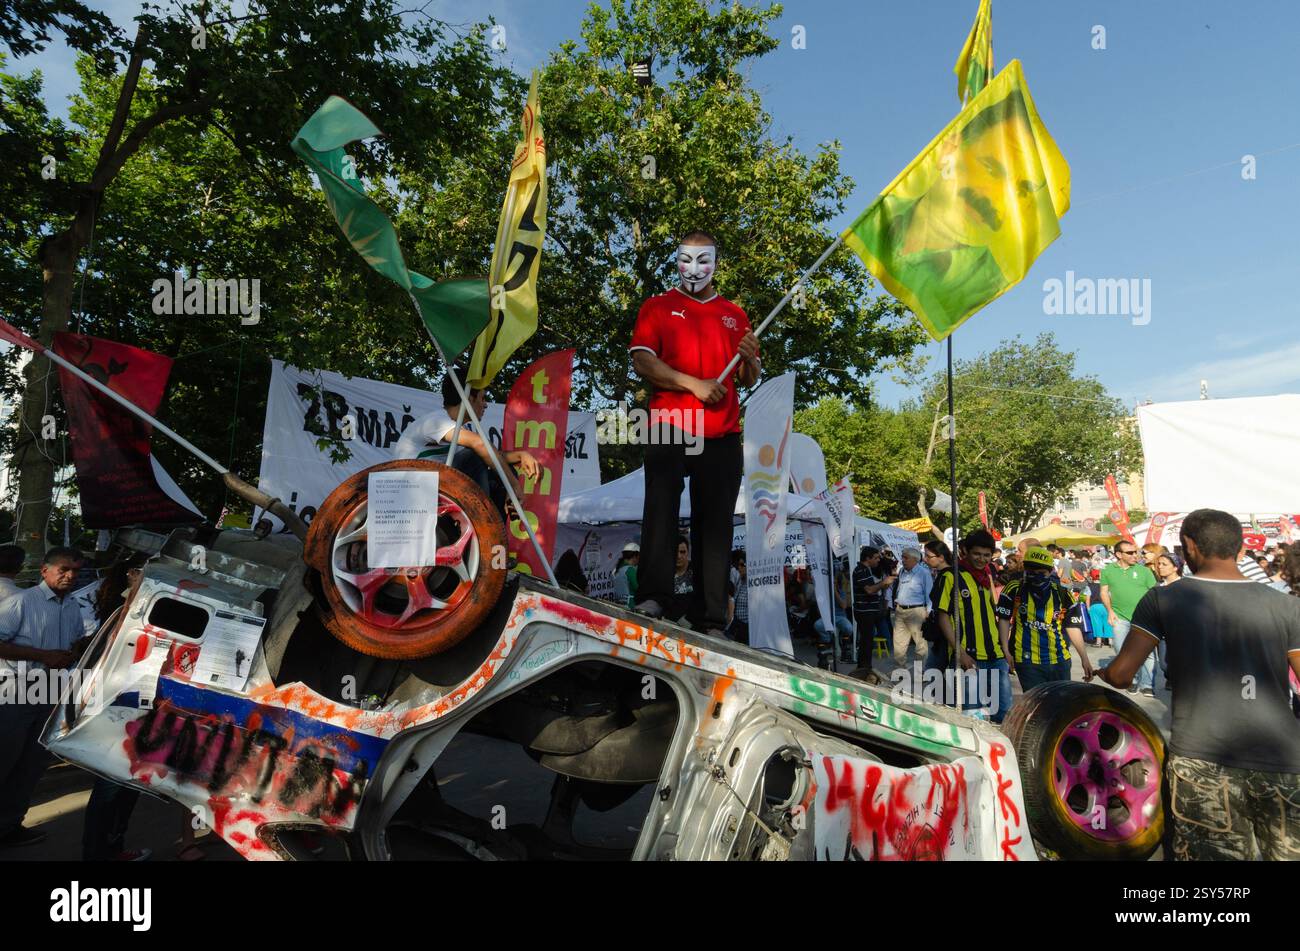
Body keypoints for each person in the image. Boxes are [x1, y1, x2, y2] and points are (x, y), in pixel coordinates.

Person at [1094, 509, 1300, 860]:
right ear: (1238, 547)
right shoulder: (1286, 606)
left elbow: (1122, 674)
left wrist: (1104, 674)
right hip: (1282, 758)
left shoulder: (1163, 599)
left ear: (1188, 546)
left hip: (1203, 759)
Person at [629, 230, 760, 635]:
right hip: (670, 424)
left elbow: (749, 378)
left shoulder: (735, 315)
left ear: (716, 263)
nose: (694, 268)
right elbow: (643, 362)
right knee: (661, 507)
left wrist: (751, 358)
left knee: (716, 525)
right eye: (686, 259)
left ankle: (711, 617)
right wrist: (694, 384)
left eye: (704, 260)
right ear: (677, 260)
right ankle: (654, 597)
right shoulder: (657, 306)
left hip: (722, 433)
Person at [0, 546, 88, 848]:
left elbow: (76, 641)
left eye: (75, 571)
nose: (69, 576)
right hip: (16, 692)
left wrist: (74, 652)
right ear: (44, 570)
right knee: (5, 760)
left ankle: (9, 826)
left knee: (31, 765)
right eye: (63, 569)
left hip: (51, 692)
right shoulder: (21, 602)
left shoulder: (73, 606)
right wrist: (43, 655)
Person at [395, 365, 540, 521]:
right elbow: (480, 446)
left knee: (501, 472)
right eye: (483, 398)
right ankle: (482, 523)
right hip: (411, 492)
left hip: (434, 490)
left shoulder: (457, 430)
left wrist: (520, 455)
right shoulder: (436, 420)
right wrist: (514, 486)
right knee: (475, 455)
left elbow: (491, 456)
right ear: (469, 398)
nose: (485, 404)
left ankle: (495, 533)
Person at [82, 554, 152, 861]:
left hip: (137, 703)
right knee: (111, 784)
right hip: (115, 705)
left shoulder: (144, 607)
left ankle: (113, 847)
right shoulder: (121, 609)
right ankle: (98, 854)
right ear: (131, 574)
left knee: (130, 782)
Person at [935, 530, 1011, 722]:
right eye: (977, 554)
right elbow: (943, 617)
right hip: (968, 658)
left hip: (995, 656)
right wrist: (960, 652)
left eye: (987, 555)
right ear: (965, 551)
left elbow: (993, 616)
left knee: (1004, 713)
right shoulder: (951, 577)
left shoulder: (987, 577)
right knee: (973, 716)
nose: (982, 559)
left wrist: (1006, 650)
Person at [996, 546, 1092, 691]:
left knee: (1060, 705)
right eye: (1031, 572)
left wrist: (1084, 658)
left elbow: (1072, 626)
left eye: (1041, 572)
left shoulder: (1062, 592)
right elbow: (1003, 619)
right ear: (1025, 570)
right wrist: (1005, 649)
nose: (1036, 576)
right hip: (1027, 661)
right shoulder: (1014, 588)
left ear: (1050, 571)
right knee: (1036, 705)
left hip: (1060, 660)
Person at [1100, 539, 1158, 696]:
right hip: (1119, 617)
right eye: (1130, 552)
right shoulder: (1107, 571)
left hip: (1143, 619)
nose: (1135, 555)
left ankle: (1147, 684)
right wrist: (1110, 611)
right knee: (1121, 650)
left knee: (1148, 654)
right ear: (1119, 554)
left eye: (1136, 552)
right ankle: (1131, 679)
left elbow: (1155, 592)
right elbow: (1104, 592)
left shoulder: (1144, 571)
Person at [851, 546, 895, 677]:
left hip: (869, 611)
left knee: (868, 640)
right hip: (864, 612)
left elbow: (872, 589)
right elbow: (869, 590)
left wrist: (885, 585)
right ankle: (864, 668)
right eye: (875, 558)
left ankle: (864, 667)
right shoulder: (861, 570)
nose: (878, 560)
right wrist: (883, 583)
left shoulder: (866, 570)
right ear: (867, 558)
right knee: (866, 641)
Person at [921, 540, 956, 703]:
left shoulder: (947, 575)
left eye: (928, 556)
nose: (925, 559)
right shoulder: (944, 574)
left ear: (941, 557)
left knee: (932, 671)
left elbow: (943, 611)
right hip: (943, 634)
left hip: (945, 634)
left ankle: (944, 703)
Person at [892, 546, 932, 669]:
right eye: (902, 557)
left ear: (915, 559)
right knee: (899, 644)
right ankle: (901, 670)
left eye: (905, 558)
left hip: (916, 611)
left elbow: (929, 593)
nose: (902, 560)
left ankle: (921, 672)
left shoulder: (923, 573)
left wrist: (928, 611)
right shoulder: (902, 571)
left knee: (920, 644)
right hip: (900, 610)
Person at [666, 536, 695, 625]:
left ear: (688, 553)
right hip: (668, 624)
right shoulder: (665, 573)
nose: (678, 556)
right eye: (676, 552)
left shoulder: (697, 571)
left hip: (692, 626)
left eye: (682, 552)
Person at [728, 550, 749, 646]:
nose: (739, 568)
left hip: (747, 630)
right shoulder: (741, 581)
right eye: (738, 565)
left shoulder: (753, 586)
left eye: (742, 565)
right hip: (738, 627)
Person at [611, 542, 640, 609]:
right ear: (634, 556)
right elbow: (637, 588)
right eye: (639, 556)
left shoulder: (615, 569)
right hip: (630, 606)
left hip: (618, 606)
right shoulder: (630, 570)